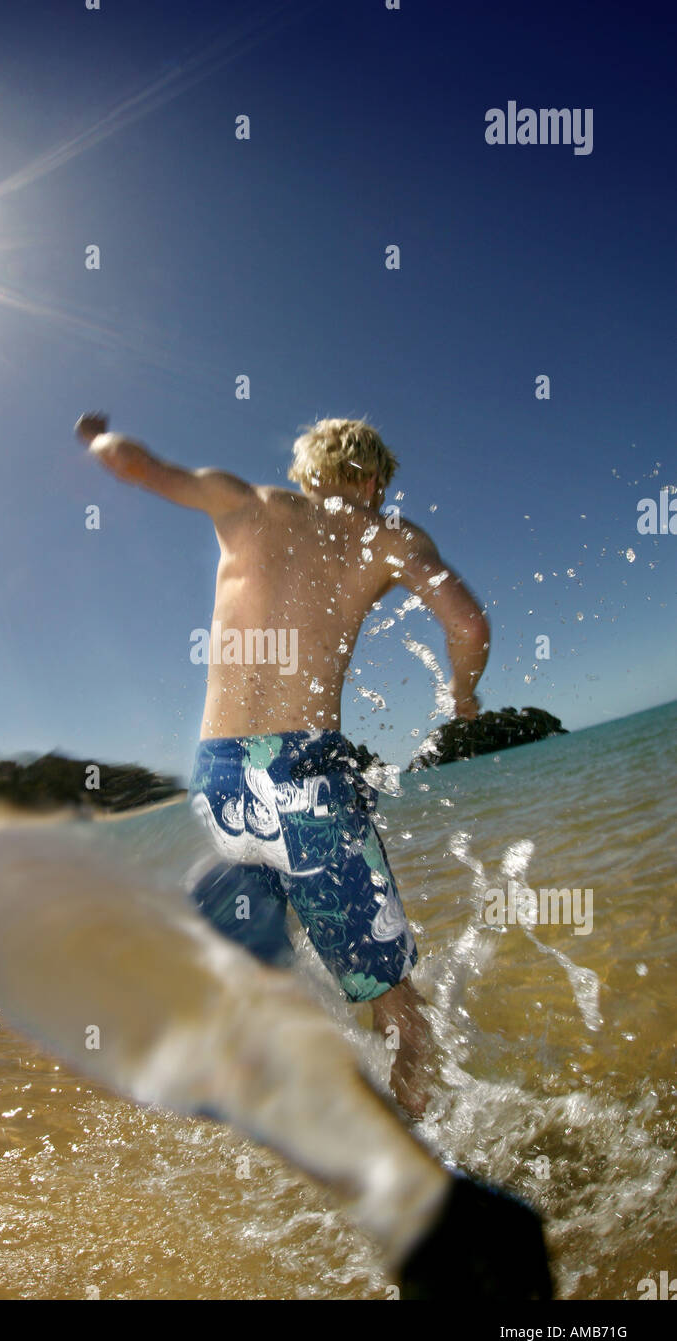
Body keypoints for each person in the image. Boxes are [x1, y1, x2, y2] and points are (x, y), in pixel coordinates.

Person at [75, 414, 489, 1118]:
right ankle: (422, 1160)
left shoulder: (244, 502)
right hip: (303, 785)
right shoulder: (388, 537)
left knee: (267, 953)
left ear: (307, 471)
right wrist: (464, 694)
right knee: (398, 1007)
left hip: (218, 783)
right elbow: (469, 625)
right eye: (383, 483)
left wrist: (97, 441)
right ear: (372, 477)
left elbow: (137, 466)